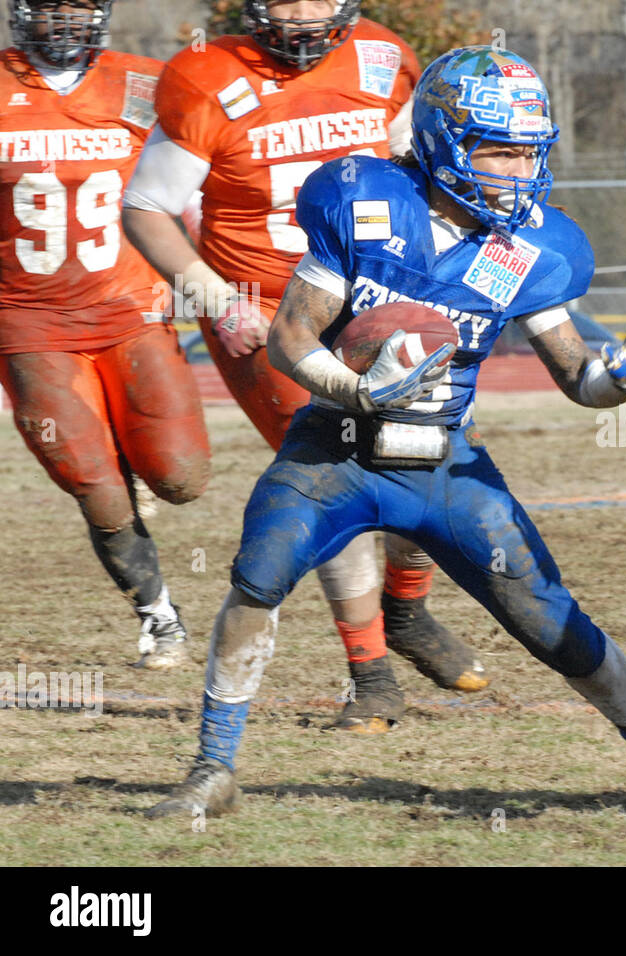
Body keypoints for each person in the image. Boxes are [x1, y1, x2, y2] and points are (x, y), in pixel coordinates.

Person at [145, 46, 626, 818]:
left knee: (553, 622)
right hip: (334, 446)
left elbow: (581, 382)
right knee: (257, 577)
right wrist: (356, 389)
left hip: (442, 463)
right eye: (497, 149)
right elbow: (290, 339)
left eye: (528, 152)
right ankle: (213, 769)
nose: (515, 170)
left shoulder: (532, 246)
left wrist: (623, 379)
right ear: (441, 138)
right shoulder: (364, 199)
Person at [122, 0, 488, 731]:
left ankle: (408, 610)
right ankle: (371, 674)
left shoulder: (382, 57)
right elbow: (147, 206)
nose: (304, 12)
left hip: (378, 295)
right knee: (339, 477)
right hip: (272, 312)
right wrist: (217, 300)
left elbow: (425, 173)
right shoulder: (206, 74)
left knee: (431, 454)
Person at [0, 0, 210, 668]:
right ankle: (159, 616)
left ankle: (129, 454)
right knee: (92, 479)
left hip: (130, 309)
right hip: (30, 321)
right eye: (54, 5)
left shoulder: (147, 83)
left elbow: (197, 190)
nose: (67, 20)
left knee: (181, 477)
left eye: (82, 6)